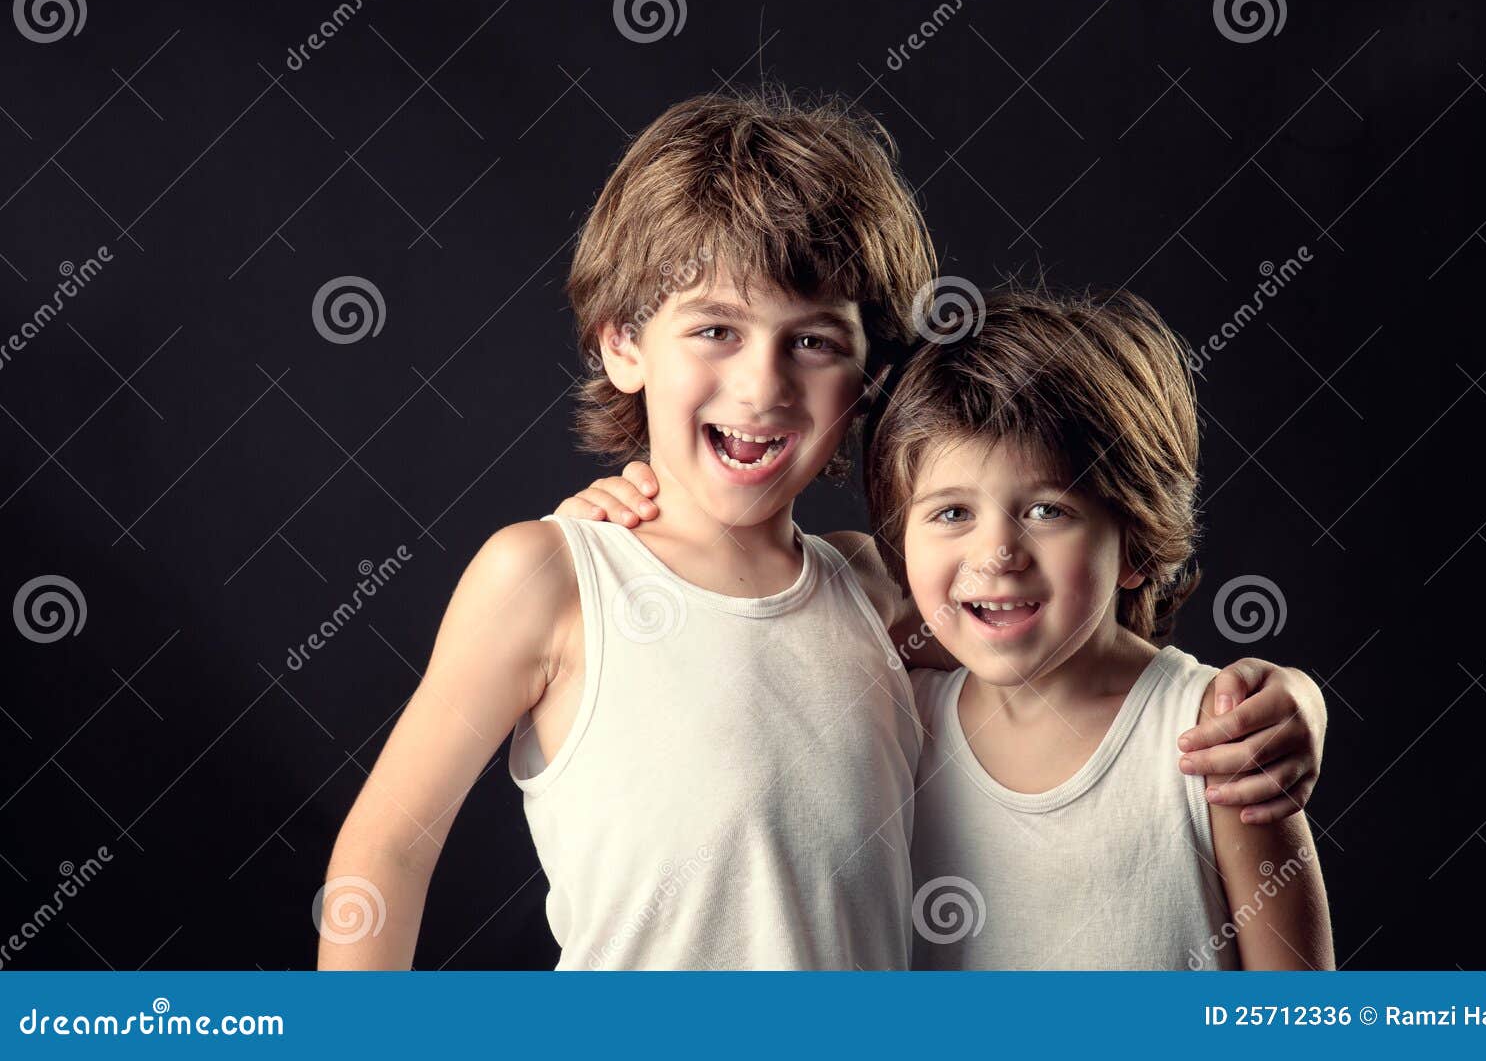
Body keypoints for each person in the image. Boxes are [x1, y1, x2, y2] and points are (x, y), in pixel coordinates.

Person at [322, 87, 1326, 970]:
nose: (761, 384)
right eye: (713, 329)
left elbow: (1074, 660)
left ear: (866, 382)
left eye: (810, 341)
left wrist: (1288, 700)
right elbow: (388, 849)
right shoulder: (547, 578)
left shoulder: (874, 596)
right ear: (623, 343)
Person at [867, 286, 1333, 968]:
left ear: (1136, 548)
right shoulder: (901, 718)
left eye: (1048, 510)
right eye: (951, 512)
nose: (998, 554)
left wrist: (1302, 696)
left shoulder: (1217, 740)